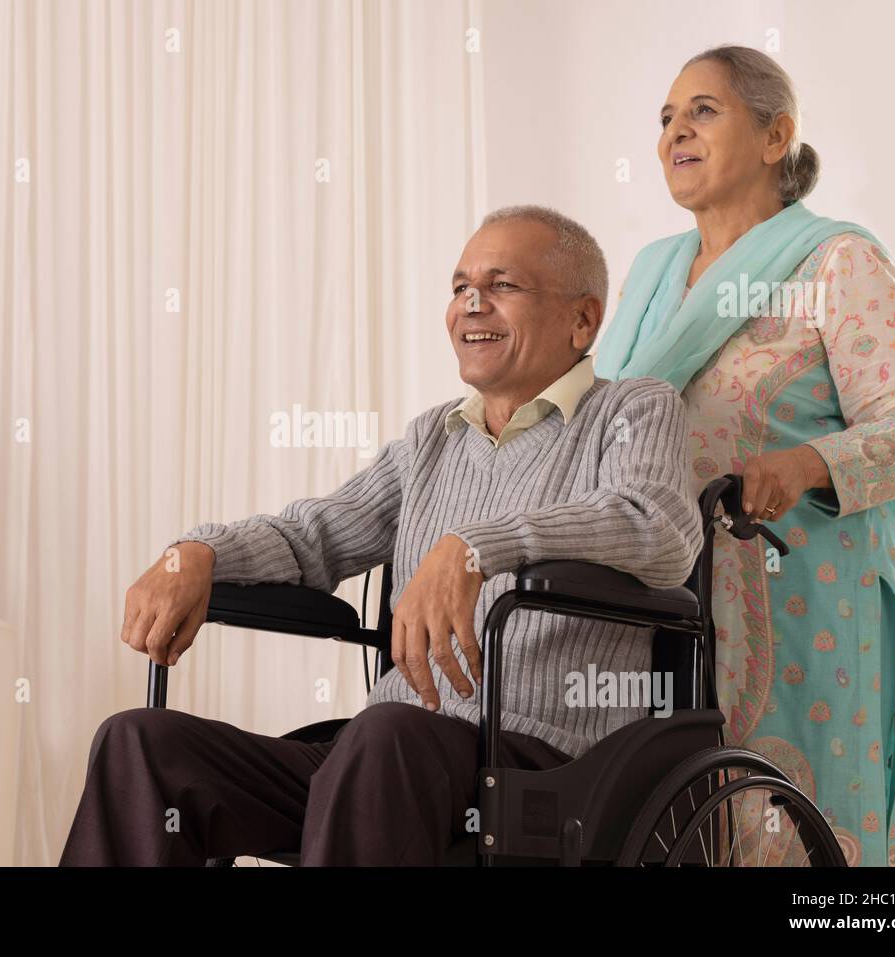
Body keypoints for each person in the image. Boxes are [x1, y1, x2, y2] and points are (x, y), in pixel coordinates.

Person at [60, 206, 703, 865]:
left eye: (503, 285)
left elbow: (657, 526)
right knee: (137, 744)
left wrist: (475, 546)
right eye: (459, 287)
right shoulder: (432, 438)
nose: (472, 304)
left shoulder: (633, 408)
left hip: (539, 761)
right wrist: (196, 552)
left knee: (385, 734)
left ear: (583, 319)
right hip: (380, 761)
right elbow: (313, 538)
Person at [595, 44, 895, 866]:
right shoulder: (654, 276)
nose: (673, 132)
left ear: (775, 137)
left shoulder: (839, 261)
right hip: (664, 611)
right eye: (664, 118)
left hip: (803, 611)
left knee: (793, 840)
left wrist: (803, 467)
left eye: (702, 110)